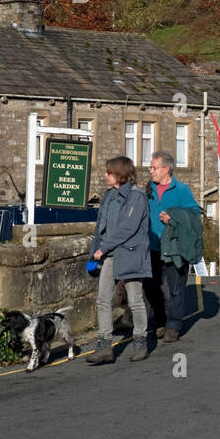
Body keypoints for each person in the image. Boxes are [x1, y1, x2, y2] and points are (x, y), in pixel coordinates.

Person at [86, 156, 153, 364]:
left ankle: (140, 341)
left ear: (120, 174)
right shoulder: (108, 196)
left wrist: (103, 248)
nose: (106, 175)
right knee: (103, 299)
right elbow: (101, 227)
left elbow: (127, 228)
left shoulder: (136, 197)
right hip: (109, 255)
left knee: (135, 301)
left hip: (130, 254)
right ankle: (104, 344)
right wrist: (95, 252)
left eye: (109, 172)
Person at [144, 150, 201, 343]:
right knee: (152, 288)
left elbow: (194, 214)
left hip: (175, 246)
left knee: (175, 289)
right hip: (152, 246)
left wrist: (173, 218)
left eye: (154, 167)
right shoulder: (148, 189)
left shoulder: (182, 190)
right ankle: (160, 321)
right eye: (150, 167)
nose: (150, 171)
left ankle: (174, 326)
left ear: (166, 169)